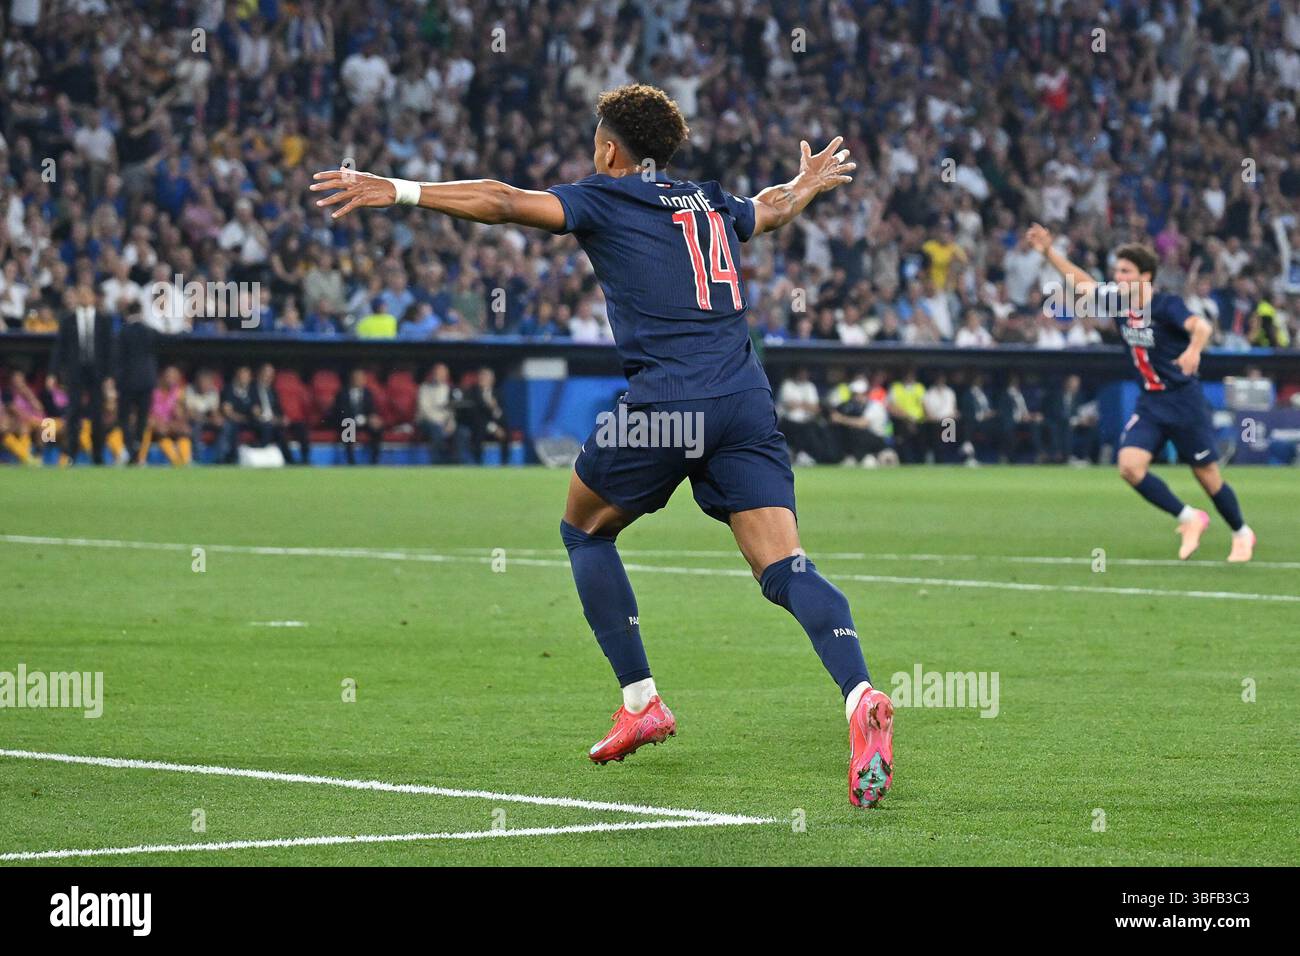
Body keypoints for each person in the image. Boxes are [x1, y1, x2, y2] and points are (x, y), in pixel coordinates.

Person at [311, 83, 893, 807]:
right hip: (745, 402)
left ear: (611, 148)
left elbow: (499, 200)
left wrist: (396, 189)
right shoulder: (707, 200)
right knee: (783, 565)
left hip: (665, 406)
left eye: (595, 136)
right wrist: (806, 183)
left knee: (584, 529)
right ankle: (859, 692)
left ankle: (643, 701)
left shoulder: (604, 195)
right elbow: (769, 209)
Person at [1027, 224, 1254, 561]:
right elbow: (1083, 284)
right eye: (1117, 270)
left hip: (1184, 401)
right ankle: (1189, 518)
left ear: (1145, 276)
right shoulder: (1119, 303)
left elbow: (1201, 326)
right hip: (1151, 402)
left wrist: (1193, 351)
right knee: (1129, 466)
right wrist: (1048, 253)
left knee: (1206, 476)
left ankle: (1241, 532)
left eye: (1125, 271)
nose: (1117, 276)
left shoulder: (1166, 306)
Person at [48, 285, 115, 465]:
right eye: (81, 294)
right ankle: (72, 454)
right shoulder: (68, 320)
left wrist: (109, 376)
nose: (84, 297)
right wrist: (52, 373)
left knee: (97, 415)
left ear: (93, 297)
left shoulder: (103, 320)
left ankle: (98, 455)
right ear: (77, 297)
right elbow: (59, 349)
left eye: (87, 294)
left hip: (97, 373)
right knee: (73, 414)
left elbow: (109, 350)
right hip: (75, 373)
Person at [116, 308, 158, 463]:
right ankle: (137, 447)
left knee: (123, 418)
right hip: (146, 381)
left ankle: (131, 448)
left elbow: (117, 356)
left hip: (127, 382)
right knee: (142, 418)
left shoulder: (123, 332)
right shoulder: (149, 331)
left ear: (127, 315)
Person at [331, 368, 383, 465]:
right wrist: (354, 419)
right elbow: (341, 412)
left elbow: (371, 409)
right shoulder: (342, 393)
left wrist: (372, 418)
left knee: (377, 429)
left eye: (361, 378)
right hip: (348, 421)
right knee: (349, 427)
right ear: (352, 379)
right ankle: (351, 461)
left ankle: (374, 461)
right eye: (357, 378)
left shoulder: (368, 393)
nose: (360, 380)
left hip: (365, 421)